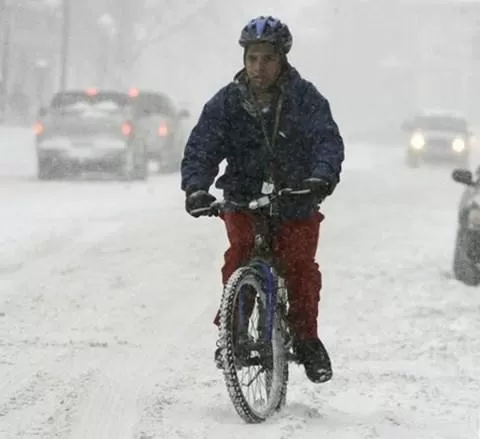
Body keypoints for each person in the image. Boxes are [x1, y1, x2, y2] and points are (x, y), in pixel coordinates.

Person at [180, 16, 344, 384]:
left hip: (296, 197)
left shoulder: (305, 99)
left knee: (300, 267)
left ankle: (306, 340)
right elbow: (202, 148)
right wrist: (197, 188)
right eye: (252, 58)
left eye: (267, 59)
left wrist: (319, 178)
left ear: (282, 59)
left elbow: (327, 142)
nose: (259, 67)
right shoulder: (226, 103)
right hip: (243, 196)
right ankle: (234, 333)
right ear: (243, 59)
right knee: (239, 257)